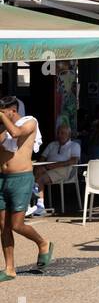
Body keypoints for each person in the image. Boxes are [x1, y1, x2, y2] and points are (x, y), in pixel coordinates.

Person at [0, 96, 51, 279]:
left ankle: (43, 243)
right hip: (2, 178)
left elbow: (16, 133)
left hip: (21, 178)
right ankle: (9, 269)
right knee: (3, 226)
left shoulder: (29, 122)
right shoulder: (2, 129)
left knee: (17, 224)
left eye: (2, 111)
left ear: (12, 110)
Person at [31, 122, 81, 216]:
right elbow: (42, 158)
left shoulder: (74, 145)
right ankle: (35, 204)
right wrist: (40, 166)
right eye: (58, 133)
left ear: (69, 135)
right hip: (48, 168)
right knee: (35, 171)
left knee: (39, 178)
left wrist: (55, 165)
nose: (59, 135)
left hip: (64, 170)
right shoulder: (52, 144)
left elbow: (74, 161)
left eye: (62, 133)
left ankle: (40, 206)